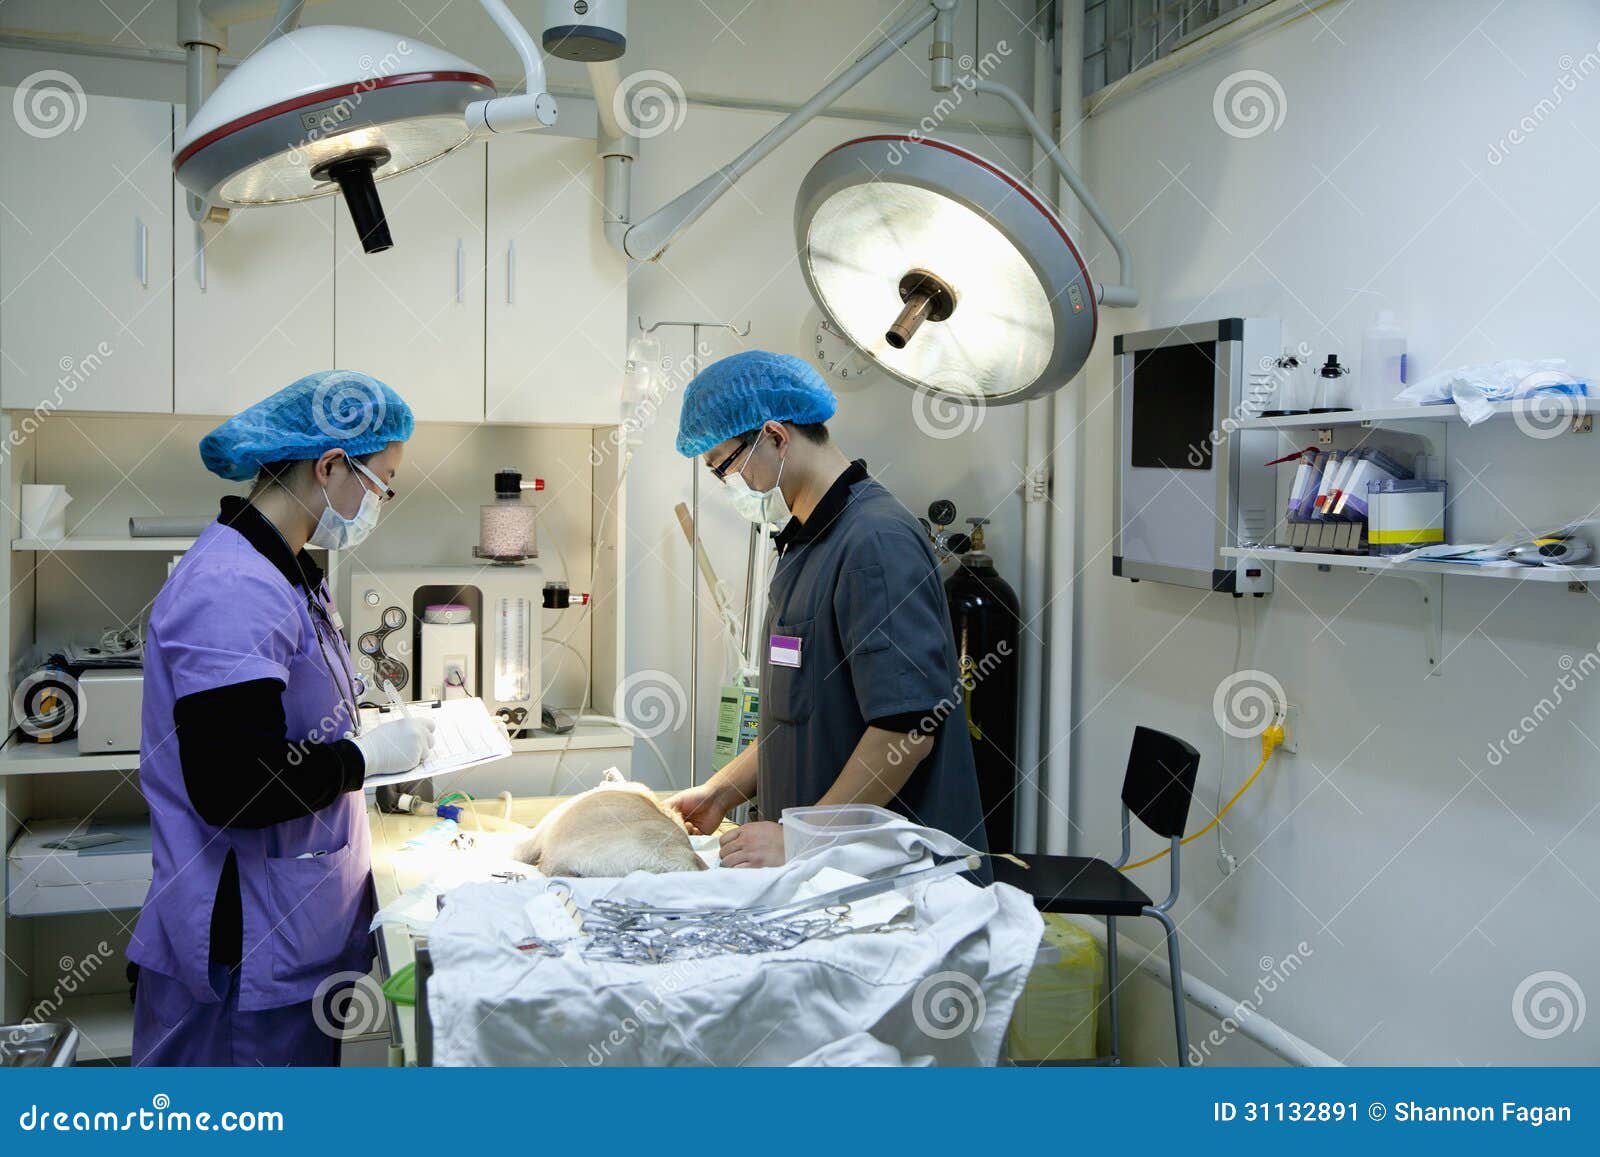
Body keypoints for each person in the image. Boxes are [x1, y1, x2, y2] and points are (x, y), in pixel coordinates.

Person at [128, 370, 437, 1067]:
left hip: (289, 932)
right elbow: (238, 783)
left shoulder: (289, 571)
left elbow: (287, 722)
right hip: (244, 957)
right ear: (330, 467)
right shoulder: (233, 585)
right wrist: (367, 757)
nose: (378, 503)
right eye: (382, 484)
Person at [665, 351, 990, 876]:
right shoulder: (807, 544)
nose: (733, 484)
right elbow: (799, 716)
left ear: (774, 435)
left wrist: (806, 838)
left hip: (893, 879)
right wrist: (721, 791)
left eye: (726, 465)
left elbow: (906, 729)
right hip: (823, 870)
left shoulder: (876, 543)